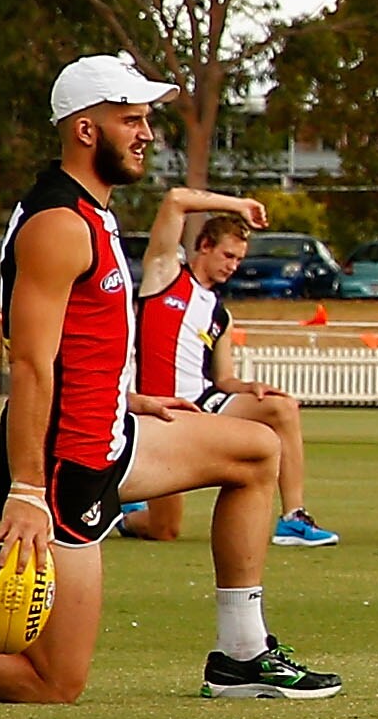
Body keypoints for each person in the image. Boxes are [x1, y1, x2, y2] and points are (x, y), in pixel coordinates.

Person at [0, 55, 338, 705]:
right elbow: (33, 364)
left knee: (257, 451)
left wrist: (128, 398)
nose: (147, 132)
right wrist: (27, 491)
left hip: (110, 434)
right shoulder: (60, 223)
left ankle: (240, 657)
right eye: (132, 119)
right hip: (60, 467)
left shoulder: (92, 214)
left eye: (146, 118)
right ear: (85, 130)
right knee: (52, 684)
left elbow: (80, 345)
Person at [124, 210, 330, 549]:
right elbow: (175, 200)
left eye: (239, 259)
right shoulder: (165, 277)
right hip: (159, 412)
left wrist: (250, 388)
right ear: (204, 246)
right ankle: (125, 515)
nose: (234, 266)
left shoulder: (221, 314)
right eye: (228, 255)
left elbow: (224, 379)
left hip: (203, 405)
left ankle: (293, 518)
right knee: (164, 529)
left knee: (282, 408)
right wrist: (238, 203)